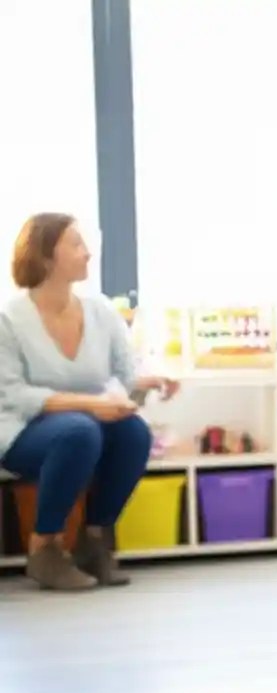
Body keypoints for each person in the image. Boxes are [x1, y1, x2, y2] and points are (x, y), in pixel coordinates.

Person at [0, 212, 180, 591]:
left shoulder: (100, 311)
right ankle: (44, 548)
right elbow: (13, 394)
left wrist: (151, 380)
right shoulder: (8, 319)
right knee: (80, 430)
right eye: (76, 244)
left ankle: (95, 542)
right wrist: (90, 405)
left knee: (133, 433)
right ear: (46, 257)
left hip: (80, 426)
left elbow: (124, 373)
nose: (88, 253)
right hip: (19, 430)